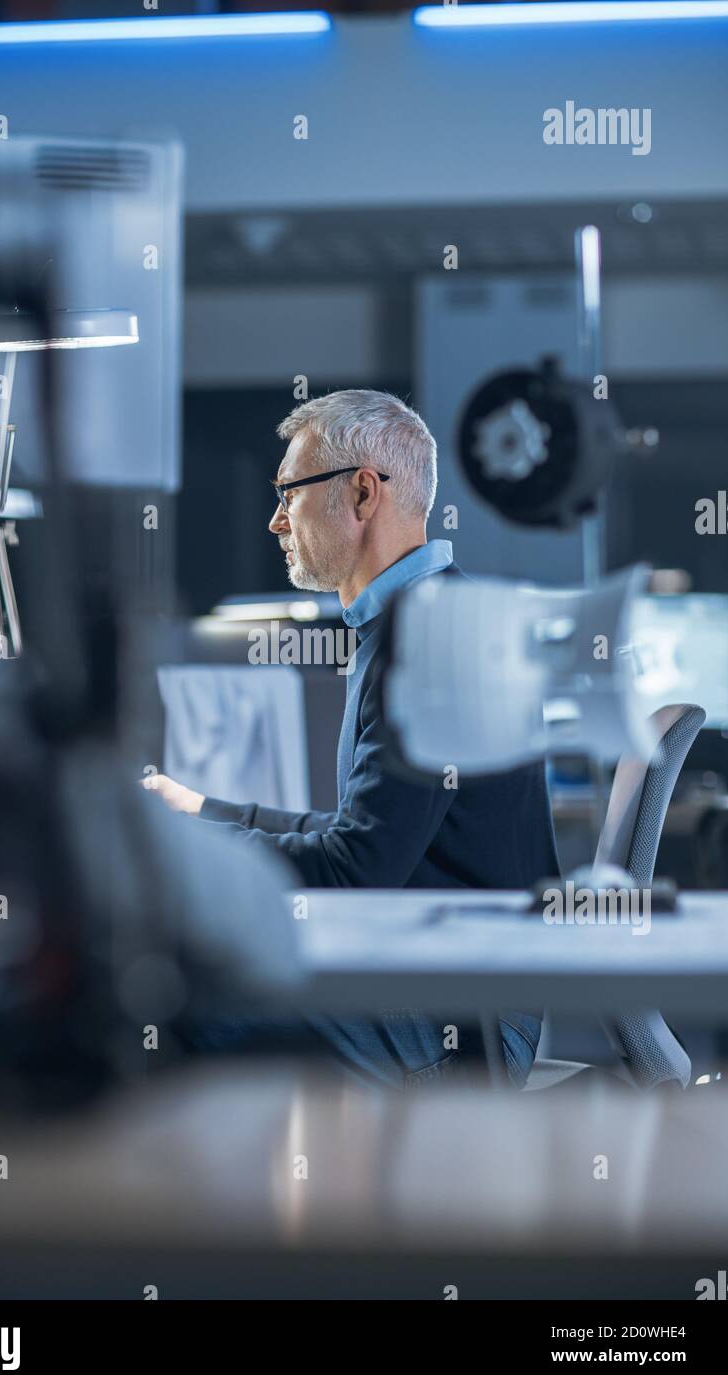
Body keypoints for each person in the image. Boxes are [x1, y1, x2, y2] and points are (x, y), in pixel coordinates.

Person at [146, 390, 560, 1088]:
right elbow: (359, 837)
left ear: (363, 493)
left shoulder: (426, 637)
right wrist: (203, 813)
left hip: (464, 1026)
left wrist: (195, 856)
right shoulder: (417, 620)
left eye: (288, 493)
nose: (275, 520)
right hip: (447, 984)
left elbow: (353, 870)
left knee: (177, 1008)